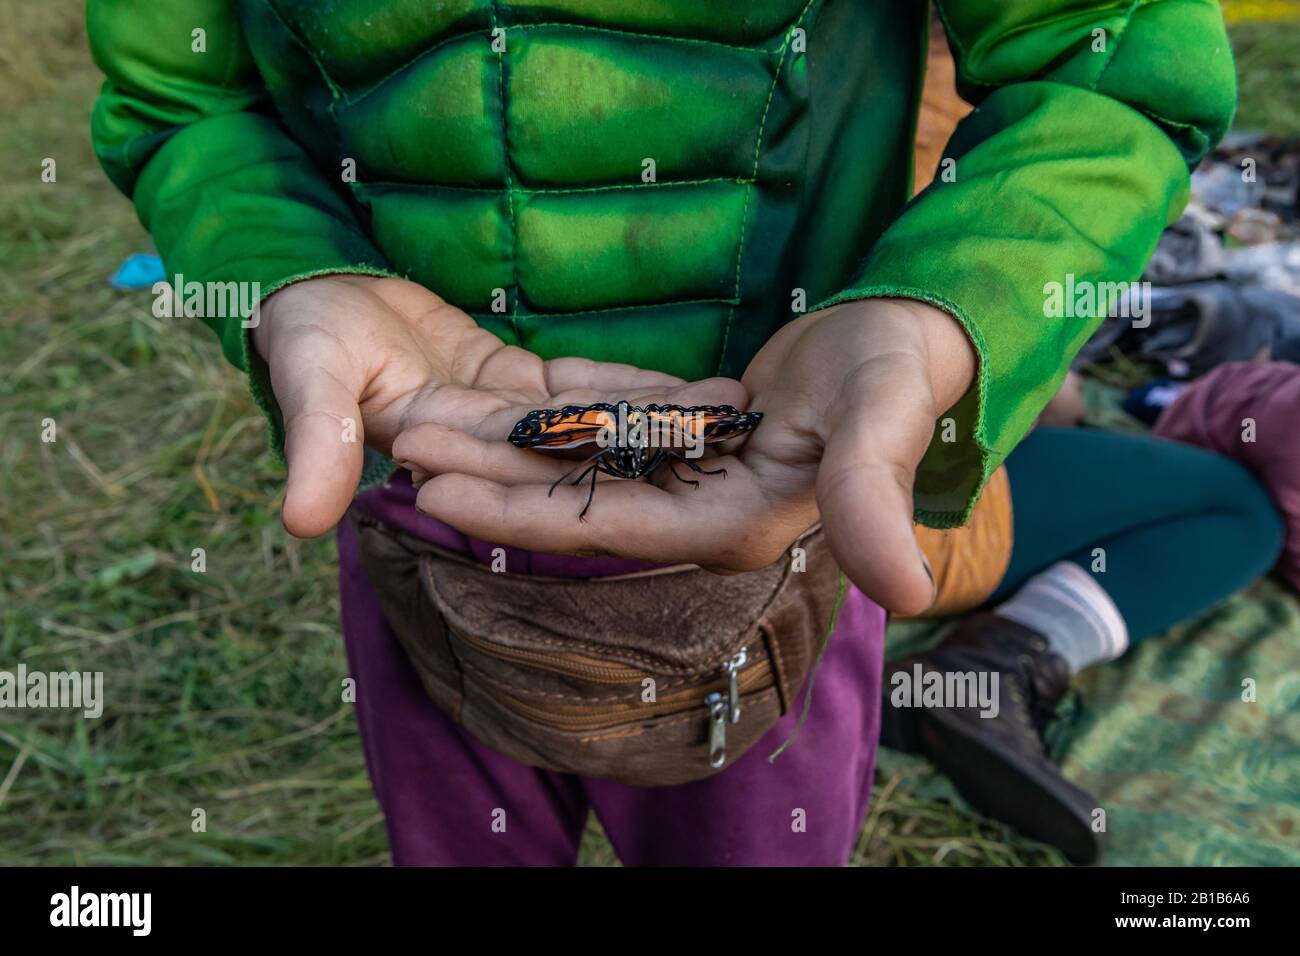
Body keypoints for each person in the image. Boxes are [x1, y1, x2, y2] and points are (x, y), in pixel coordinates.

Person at [87, 2, 1238, 865]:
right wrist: (288, 276)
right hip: (424, 459)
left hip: (763, 496)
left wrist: (944, 302)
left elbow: (1113, 61)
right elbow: (180, 98)